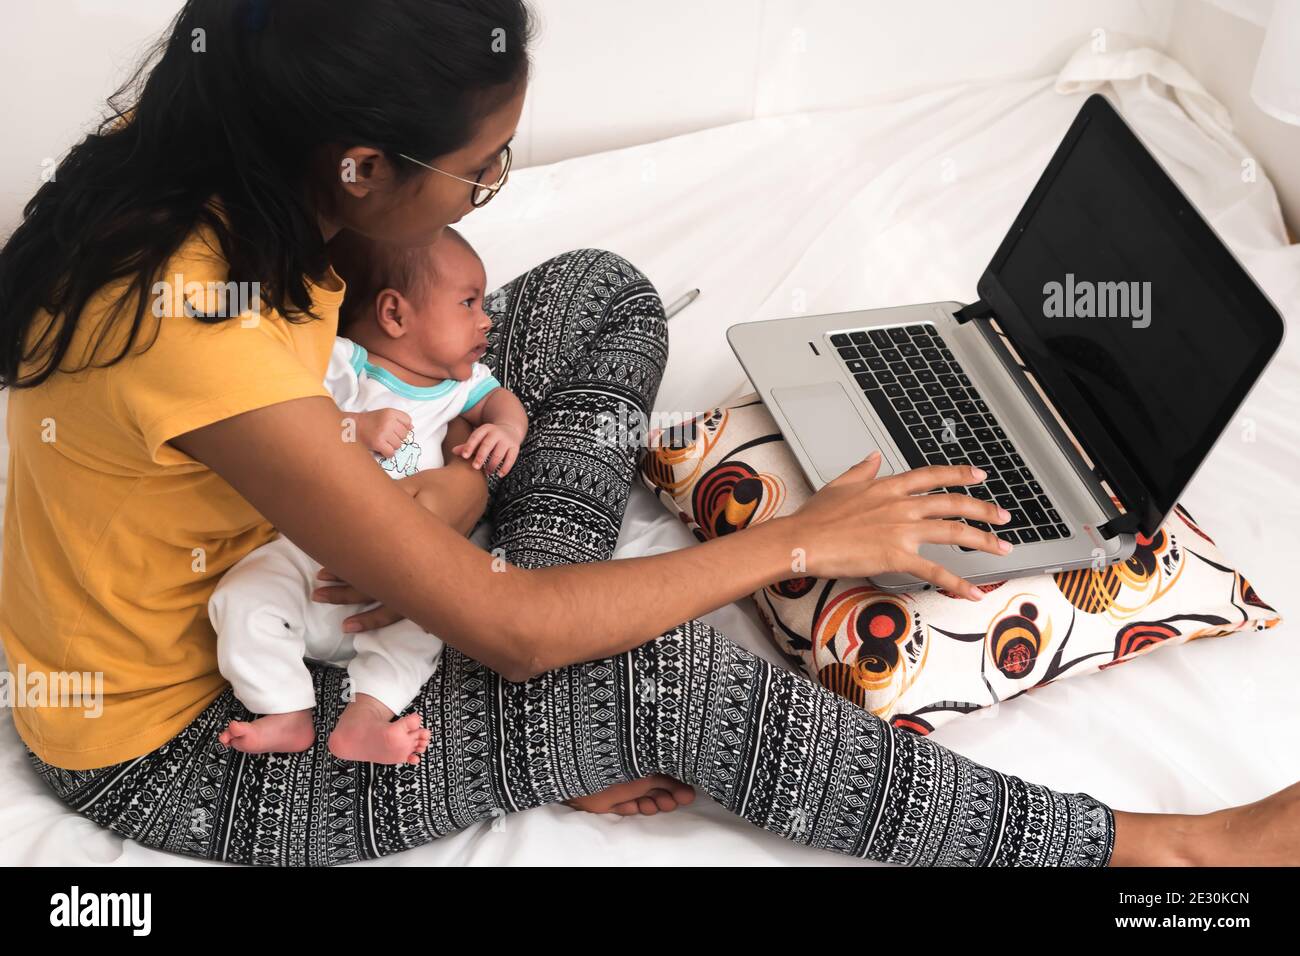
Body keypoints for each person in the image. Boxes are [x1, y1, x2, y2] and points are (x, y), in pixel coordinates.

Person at [2, 0, 1296, 865]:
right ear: (356, 168)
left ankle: (555, 649)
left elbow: (358, 426)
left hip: (308, 534)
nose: (485, 194)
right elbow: (498, 625)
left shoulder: (221, 145)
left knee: (597, 295)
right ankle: (1166, 850)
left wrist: (442, 503)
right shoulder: (186, 322)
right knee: (669, 677)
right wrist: (803, 542)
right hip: (198, 737)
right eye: (479, 171)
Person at [208, 227, 526, 766]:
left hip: (401, 580)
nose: (486, 319)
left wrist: (506, 432)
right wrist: (354, 424)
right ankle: (284, 707)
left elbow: (504, 404)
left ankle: (367, 715)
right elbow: (294, 425)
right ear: (394, 314)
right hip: (310, 556)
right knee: (241, 594)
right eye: (469, 303)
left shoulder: (460, 385)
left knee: (430, 625)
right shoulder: (346, 364)